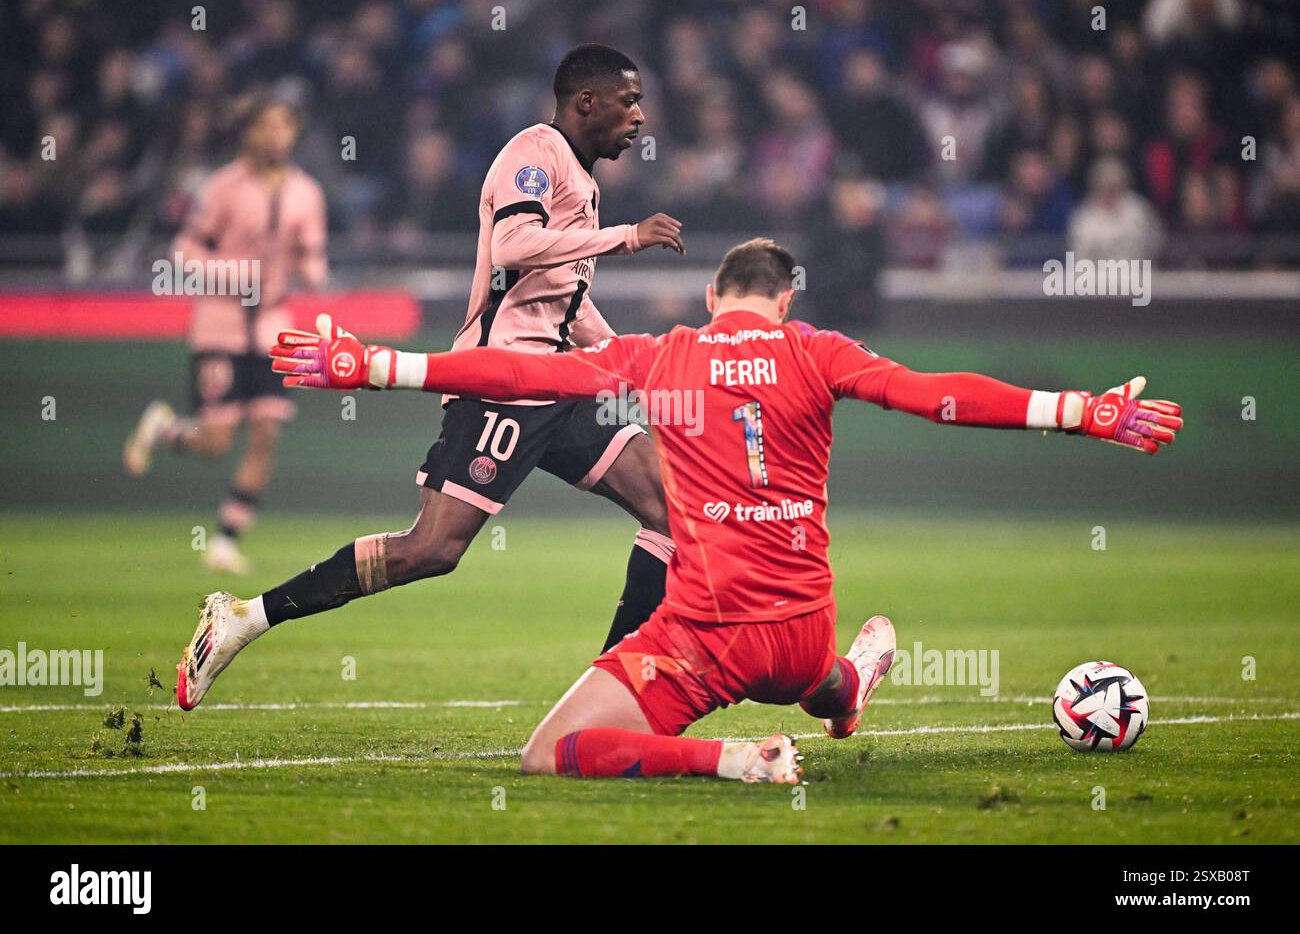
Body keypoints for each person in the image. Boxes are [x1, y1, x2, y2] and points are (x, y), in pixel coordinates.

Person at [266, 238, 1183, 782]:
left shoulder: (662, 355)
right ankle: (846, 687)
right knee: (808, 666)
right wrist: (1080, 413)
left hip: (707, 638)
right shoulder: (816, 351)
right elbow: (932, 393)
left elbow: (523, 371)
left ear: (712, 299)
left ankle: (740, 761)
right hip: (800, 631)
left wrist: (381, 366)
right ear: (786, 301)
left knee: (550, 755)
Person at [175, 44, 686, 710]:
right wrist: (624, 237)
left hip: (560, 384)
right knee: (432, 548)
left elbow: (564, 295)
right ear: (587, 101)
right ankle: (246, 618)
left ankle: (612, 693)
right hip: (501, 382)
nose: (641, 117)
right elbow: (512, 245)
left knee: (674, 508)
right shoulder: (533, 153)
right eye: (630, 100)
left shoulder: (585, 183)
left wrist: (625, 364)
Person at [124, 97, 327, 575]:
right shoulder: (222, 187)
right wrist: (231, 274)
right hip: (222, 324)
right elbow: (184, 249)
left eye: (285, 126)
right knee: (215, 440)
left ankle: (224, 540)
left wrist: (314, 270)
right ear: (249, 132)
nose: (277, 135)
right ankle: (166, 430)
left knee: (266, 433)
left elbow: (312, 252)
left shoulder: (306, 192)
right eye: (267, 125)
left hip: (276, 325)